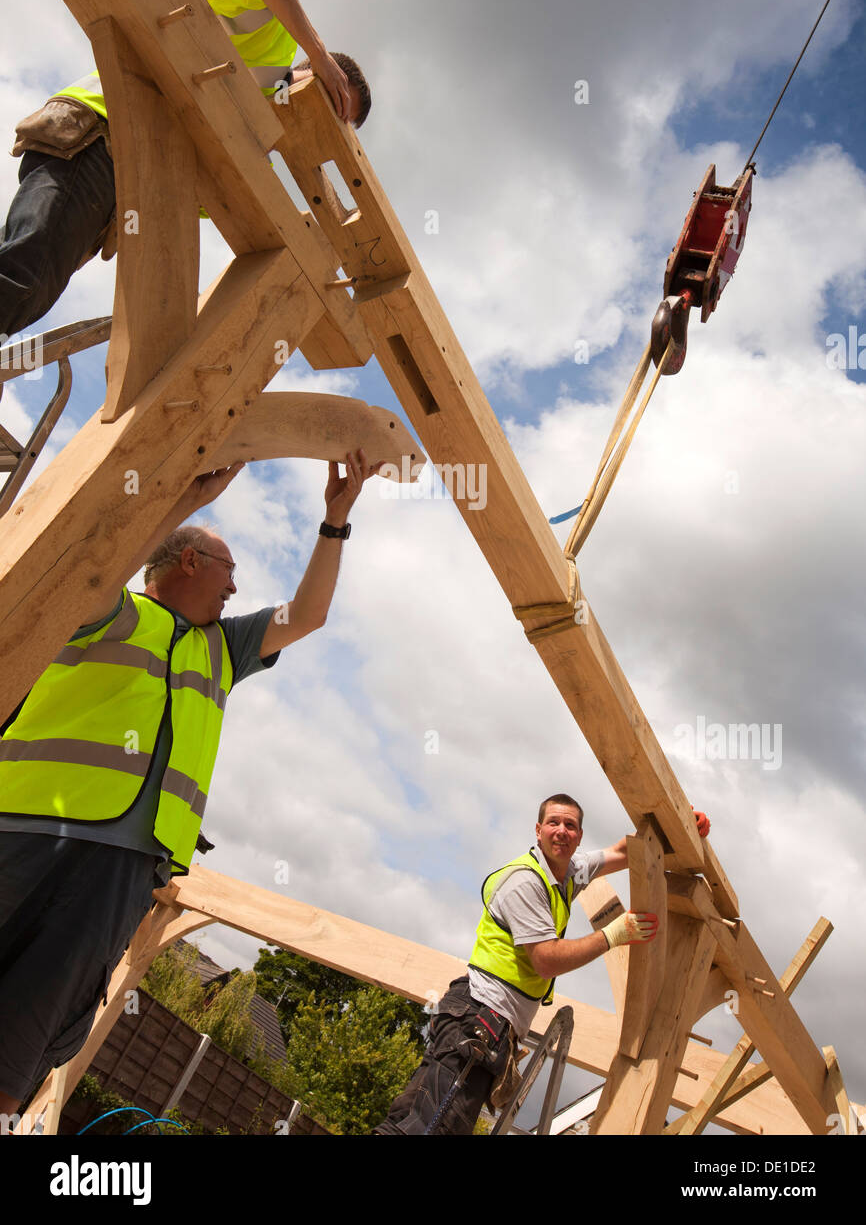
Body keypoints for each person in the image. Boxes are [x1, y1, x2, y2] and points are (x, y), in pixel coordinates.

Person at [0, 449, 377, 1119]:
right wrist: (182, 502)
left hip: (121, 868)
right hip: (26, 831)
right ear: (189, 562)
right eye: (230, 570)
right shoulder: (110, 611)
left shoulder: (222, 650)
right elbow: (101, 562)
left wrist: (336, 520)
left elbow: (309, 613)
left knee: (22, 1042)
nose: (237, 588)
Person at [0, 0, 372, 339]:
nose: (324, 117)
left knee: (32, 287)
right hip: (100, 137)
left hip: (113, 190)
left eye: (337, 123)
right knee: (28, 278)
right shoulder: (272, 41)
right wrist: (317, 51)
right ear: (322, 73)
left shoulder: (252, 147)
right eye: (332, 96)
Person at [375, 792, 711, 1135]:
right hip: (477, 1016)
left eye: (570, 825)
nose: (561, 831)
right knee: (428, 1129)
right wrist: (613, 935)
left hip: (488, 1024)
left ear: (579, 836)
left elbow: (626, 852)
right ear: (538, 831)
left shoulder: (572, 872)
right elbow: (546, 961)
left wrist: (680, 830)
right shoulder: (525, 881)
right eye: (553, 823)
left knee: (417, 1124)